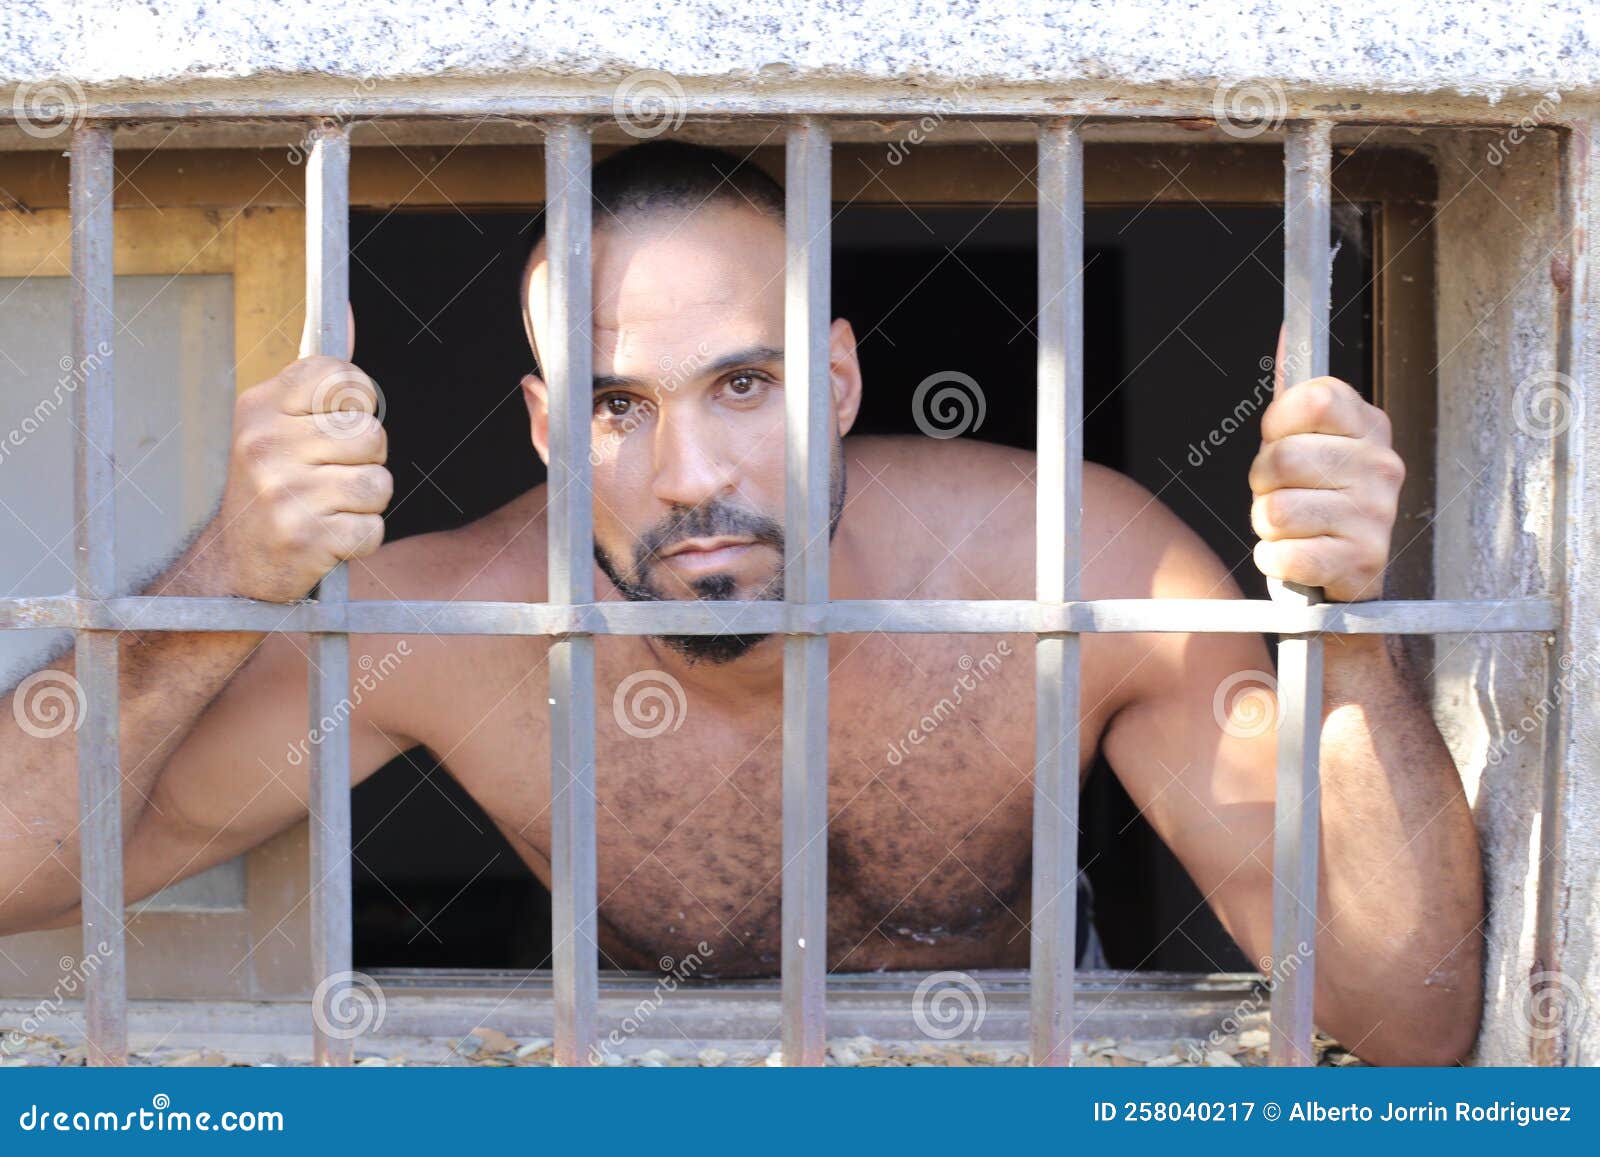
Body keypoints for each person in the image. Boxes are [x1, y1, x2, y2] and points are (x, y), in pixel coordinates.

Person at [0, 141, 1481, 1065]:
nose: (691, 474)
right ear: (541, 428)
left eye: (744, 384)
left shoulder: (1069, 566)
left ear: (835, 380)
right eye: (617, 406)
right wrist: (229, 584)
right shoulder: (448, 624)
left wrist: (1338, 621)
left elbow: (1407, 1022)